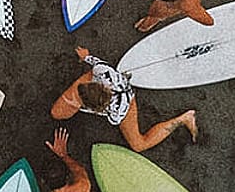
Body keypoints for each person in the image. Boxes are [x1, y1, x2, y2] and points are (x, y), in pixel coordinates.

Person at [49, 46, 197, 152]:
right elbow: (98, 63)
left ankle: (183, 119)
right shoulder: (103, 72)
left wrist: (74, 103)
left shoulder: (116, 114)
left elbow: (113, 118)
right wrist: (86, 56)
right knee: (59, 112)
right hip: (121, 90)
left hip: (126, 106)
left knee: (139, 145)